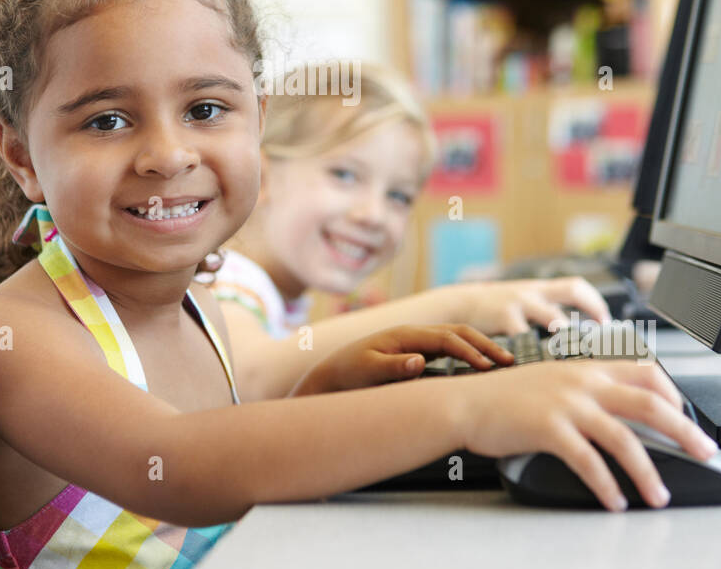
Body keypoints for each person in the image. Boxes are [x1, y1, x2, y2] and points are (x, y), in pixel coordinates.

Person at [0, 0, 715, 569]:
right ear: (21, 156)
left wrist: (317, 392)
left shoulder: (198, 306)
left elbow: (219, 465)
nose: (168, 153)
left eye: (206, 109)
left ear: (259, 125)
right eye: (107, 119)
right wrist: (467, 406)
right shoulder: (9, 337)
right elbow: (175, 465)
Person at [198, 62, 618, 376]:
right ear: (261, 174)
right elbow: (249, 375)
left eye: (398, 196)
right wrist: (460, 305)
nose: (373, 214)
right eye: (344, 175)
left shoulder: (277, 294)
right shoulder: (227, 281)